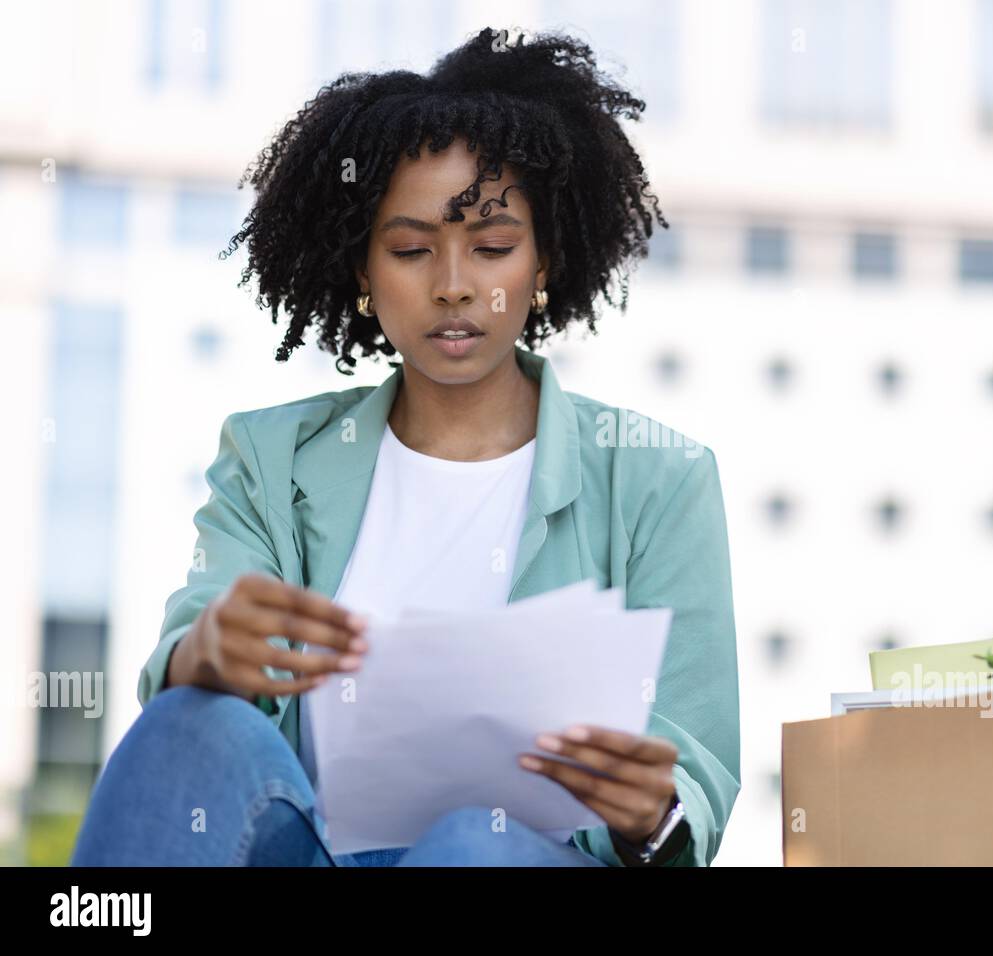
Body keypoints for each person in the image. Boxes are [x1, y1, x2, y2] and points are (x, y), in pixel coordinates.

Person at [71, 26, 740, 867]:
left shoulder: (659, 479)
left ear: (544, 264)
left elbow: (696, 774)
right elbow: (201, 641)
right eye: (411, 249)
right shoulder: (271, 457)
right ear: (361, 271)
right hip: (314, 851)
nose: (454, 282)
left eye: (493, 247)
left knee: (470, 839)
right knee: (187, 720)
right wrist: (205, 652)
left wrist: (654, 814)